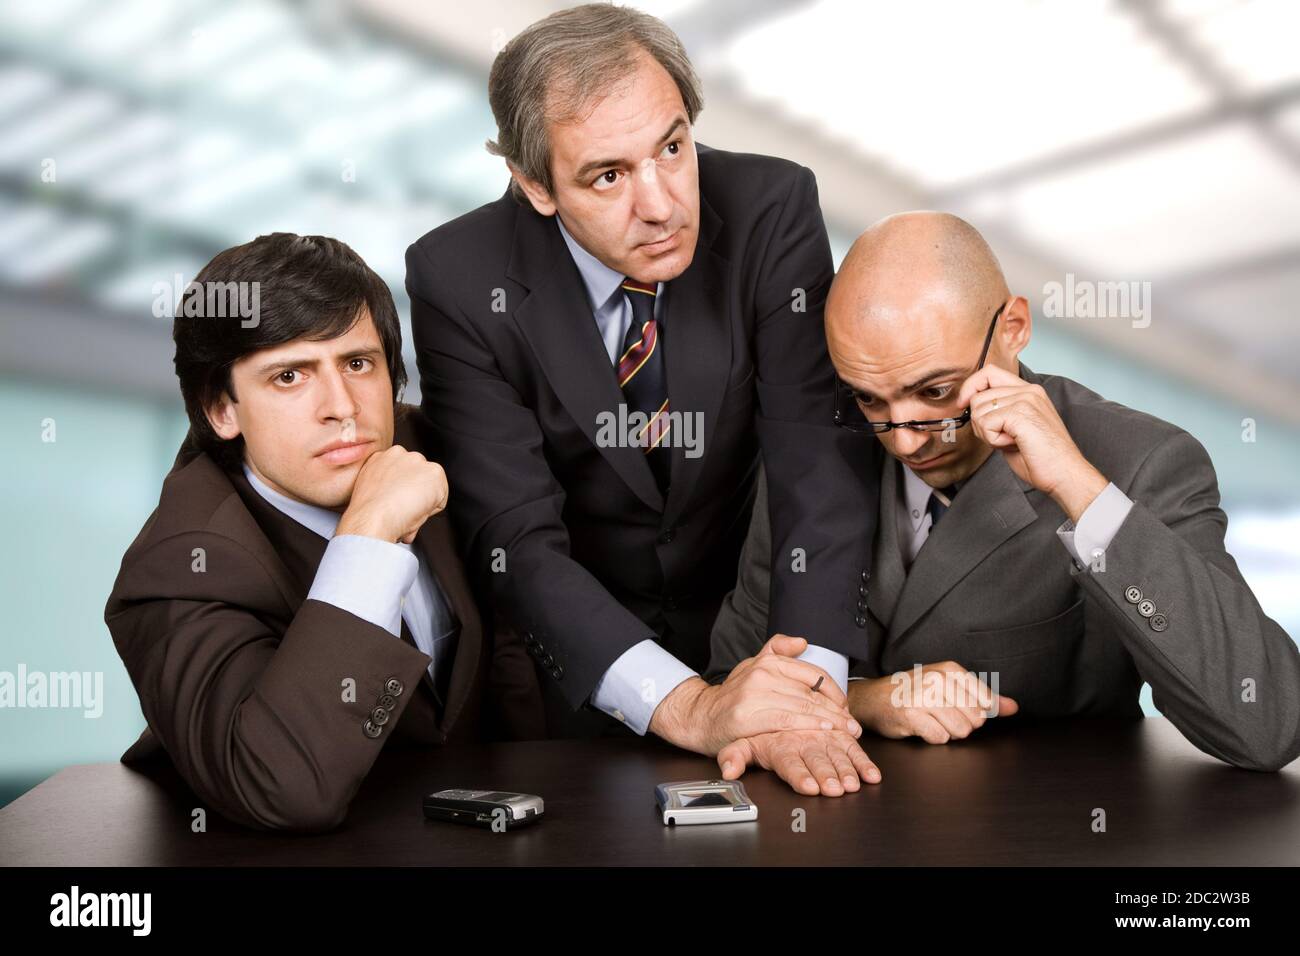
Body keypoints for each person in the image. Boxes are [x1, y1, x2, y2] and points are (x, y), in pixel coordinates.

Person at [406, 4, 882, 795]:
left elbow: (819, 464)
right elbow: (514, 538)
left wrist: (805, 698)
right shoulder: (458, 277)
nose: (662, 205)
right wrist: (690, 706)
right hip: (579, 686)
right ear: (534, 184)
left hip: (764, 635)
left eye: (672, 146)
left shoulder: (771, 208)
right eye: (608, 175)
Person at [710, 211, 1300, 773]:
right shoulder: (813, 454)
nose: (907, 442)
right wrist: (865, 700)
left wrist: (1078, 486)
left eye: (937, 392)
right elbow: (727, 683)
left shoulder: (1145, 461)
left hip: (1058, 831)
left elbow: (1266, 723)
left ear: (1013, 329)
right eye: (869, 398)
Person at [105, 233, 534, 832]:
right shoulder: (180, 564)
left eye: (358, 364)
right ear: (220, 409)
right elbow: (282, 787)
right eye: (289, 376)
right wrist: (368, 538)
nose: (342, 406)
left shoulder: (441, 447)